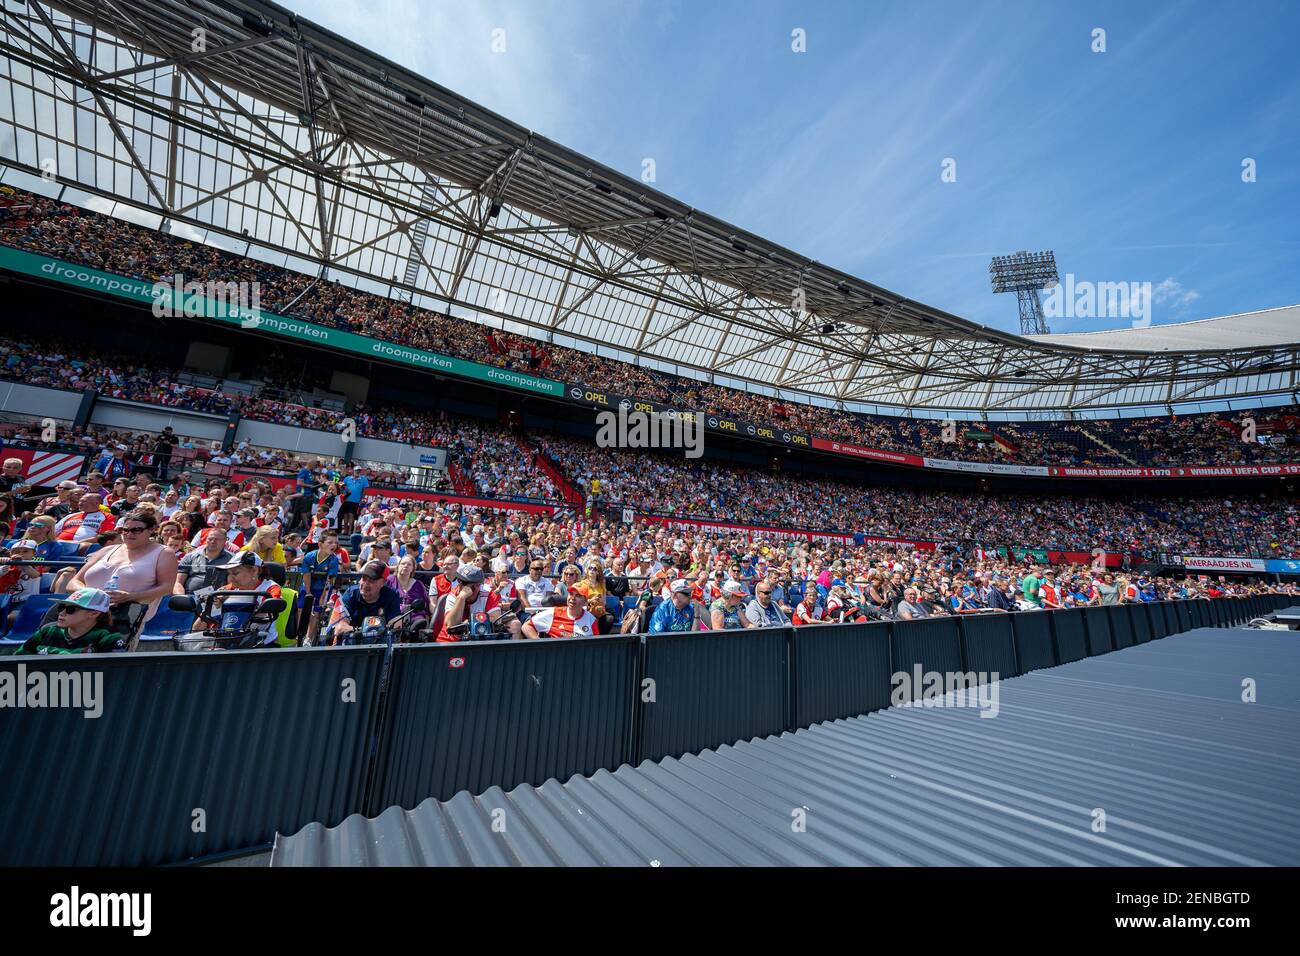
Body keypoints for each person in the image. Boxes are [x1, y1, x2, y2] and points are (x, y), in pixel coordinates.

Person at [64, 509, 177, 622]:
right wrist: (93, 595)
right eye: (125, 530)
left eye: (136, 530)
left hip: (124, 619)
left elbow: (166, 588)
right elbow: (73, 582)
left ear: (151, 529)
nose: (129, 534)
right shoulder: (107, 550)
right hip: (83, 614)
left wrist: (131, 596)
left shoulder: (163, 553)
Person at [19, 587, 127, 654]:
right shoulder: (48, 631)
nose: (61, 613)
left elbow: (112, 674)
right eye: (61, 607)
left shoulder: (108, 637)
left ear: (94, 613)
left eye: (71, 609)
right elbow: (18, 659)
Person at [325, 560, 405, 645]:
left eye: (371, 581)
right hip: (352, 645)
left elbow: (396, 627)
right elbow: (339, 628)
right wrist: (362, 631)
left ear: (383, 583)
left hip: (380, 646)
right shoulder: (351, 593)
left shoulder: (391, 595)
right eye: (364, 579)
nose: (365, 584)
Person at [523, 583, 600, 638]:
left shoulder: (591, 620)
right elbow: (526, 626)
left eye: (578, 596)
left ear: (585, 601)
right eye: (571, 594)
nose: (572, 598)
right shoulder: (554, 613)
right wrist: (540, 645)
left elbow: (595, 646)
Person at [174, 526, 233, 594]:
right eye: (210, 539)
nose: (213, 541)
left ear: (225, 541)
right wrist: (181, 598)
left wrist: (222, 593)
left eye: (217, 539)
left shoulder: (231, 559)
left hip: (217, 597)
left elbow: (233, 583)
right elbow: (178, 582)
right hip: (189, 598)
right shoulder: (190, 557)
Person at [388, 554, 430, 634]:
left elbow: (425, 606)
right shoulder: (389, 581)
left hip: (414, 618)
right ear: (398, 566)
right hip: (394, 616)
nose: (406, 566)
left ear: (413, 568)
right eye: (403, 563)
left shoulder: (418, 585)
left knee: (419, 623)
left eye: (409, 564)